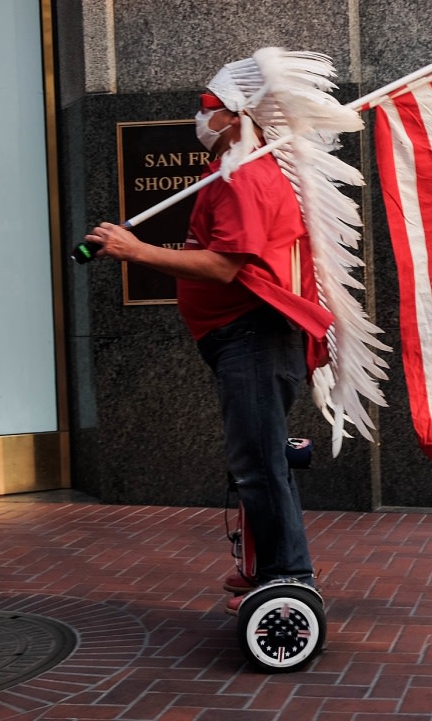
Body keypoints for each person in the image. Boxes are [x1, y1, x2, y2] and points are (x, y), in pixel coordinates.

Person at [83, 50, 384, 615]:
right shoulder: (231, 171)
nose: (199, 117)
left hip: (253, 336)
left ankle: (287, 577)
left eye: (207, 105)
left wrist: (135, 251)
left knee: (259, 463)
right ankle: (269, 567)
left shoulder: (243, 175)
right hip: (243, 339)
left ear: (238, 114)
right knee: (260, 460)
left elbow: (226, 265)